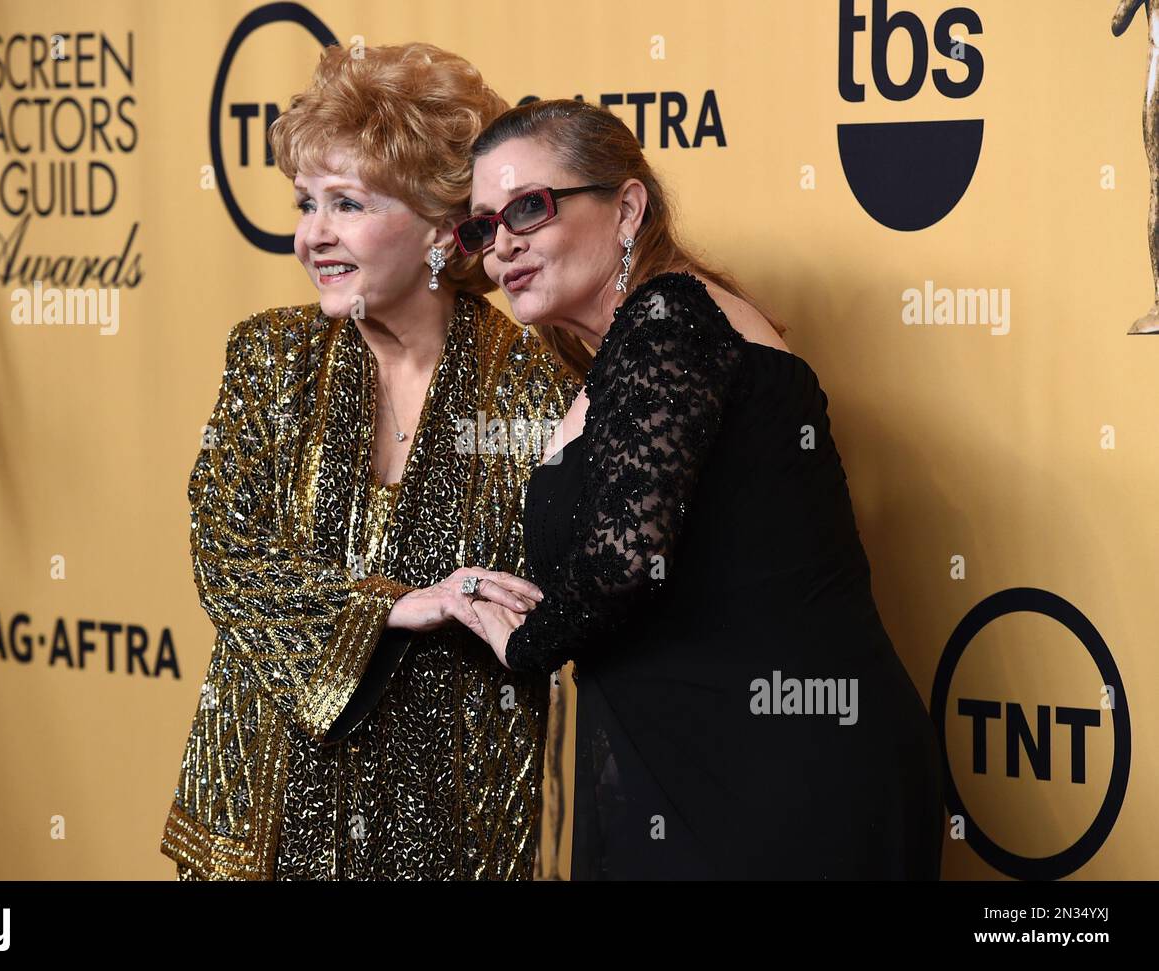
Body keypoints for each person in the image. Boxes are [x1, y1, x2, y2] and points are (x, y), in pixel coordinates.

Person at [459, 99, 945, 879]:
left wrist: (523, 640)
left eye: (529, 207)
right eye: (483, 225)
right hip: (702, 774)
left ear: (626, 207)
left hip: (776, 783)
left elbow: (620, 567)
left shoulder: (668, 314)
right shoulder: (628, 352)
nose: (501, 245)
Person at [160, 46, 578, 880]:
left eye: (345, 204)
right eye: (306, 203)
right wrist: (394, 607)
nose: (314, 234)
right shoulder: (269, 357)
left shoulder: (535, 391)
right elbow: (225, 554)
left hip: (453, 816)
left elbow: (552, 600)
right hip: (262, 821)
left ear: (437, 223)